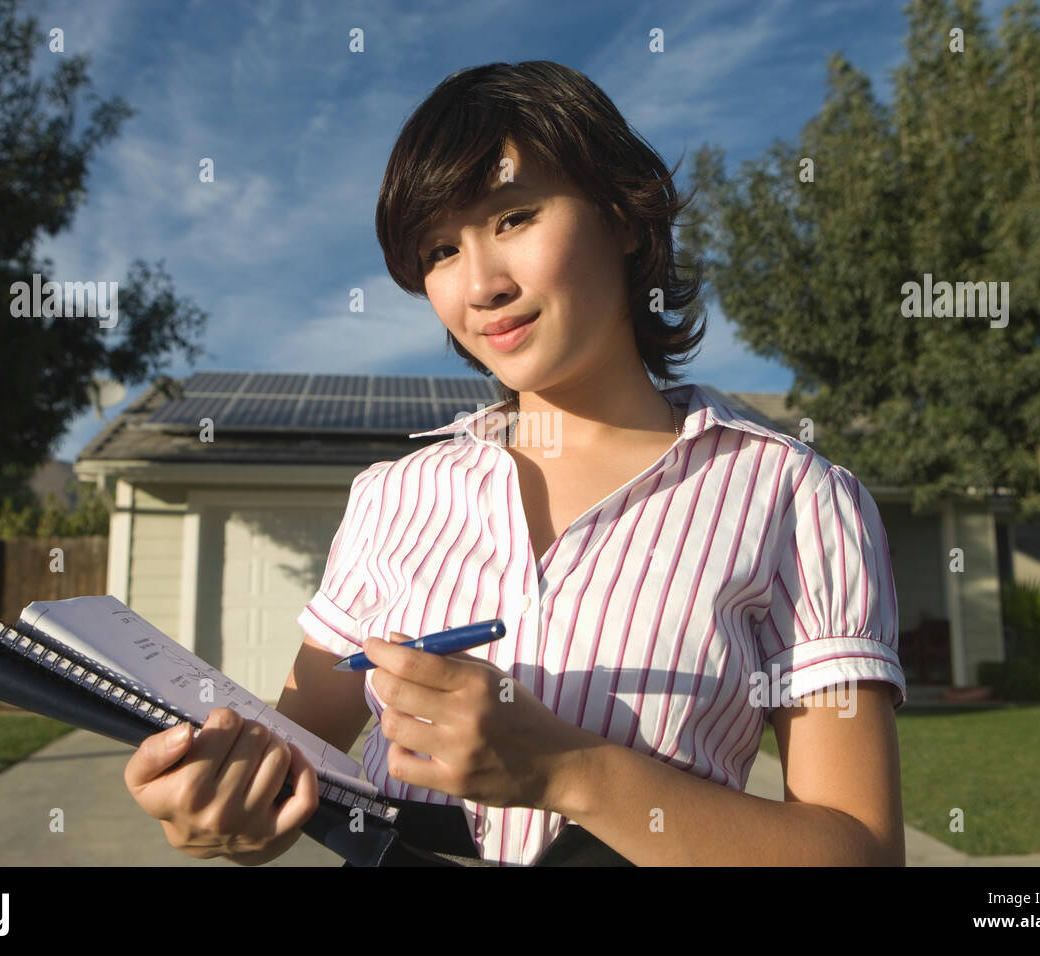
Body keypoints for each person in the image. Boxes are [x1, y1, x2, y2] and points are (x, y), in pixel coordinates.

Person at [124, 60, 908, 867]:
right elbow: (291, 777)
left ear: (626, 215)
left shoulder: (793, 497)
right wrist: (224, 815)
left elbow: (862, 851)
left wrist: (572, 771)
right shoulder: (393, 496)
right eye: (438, 250)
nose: (481, 286)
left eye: (514, 217)